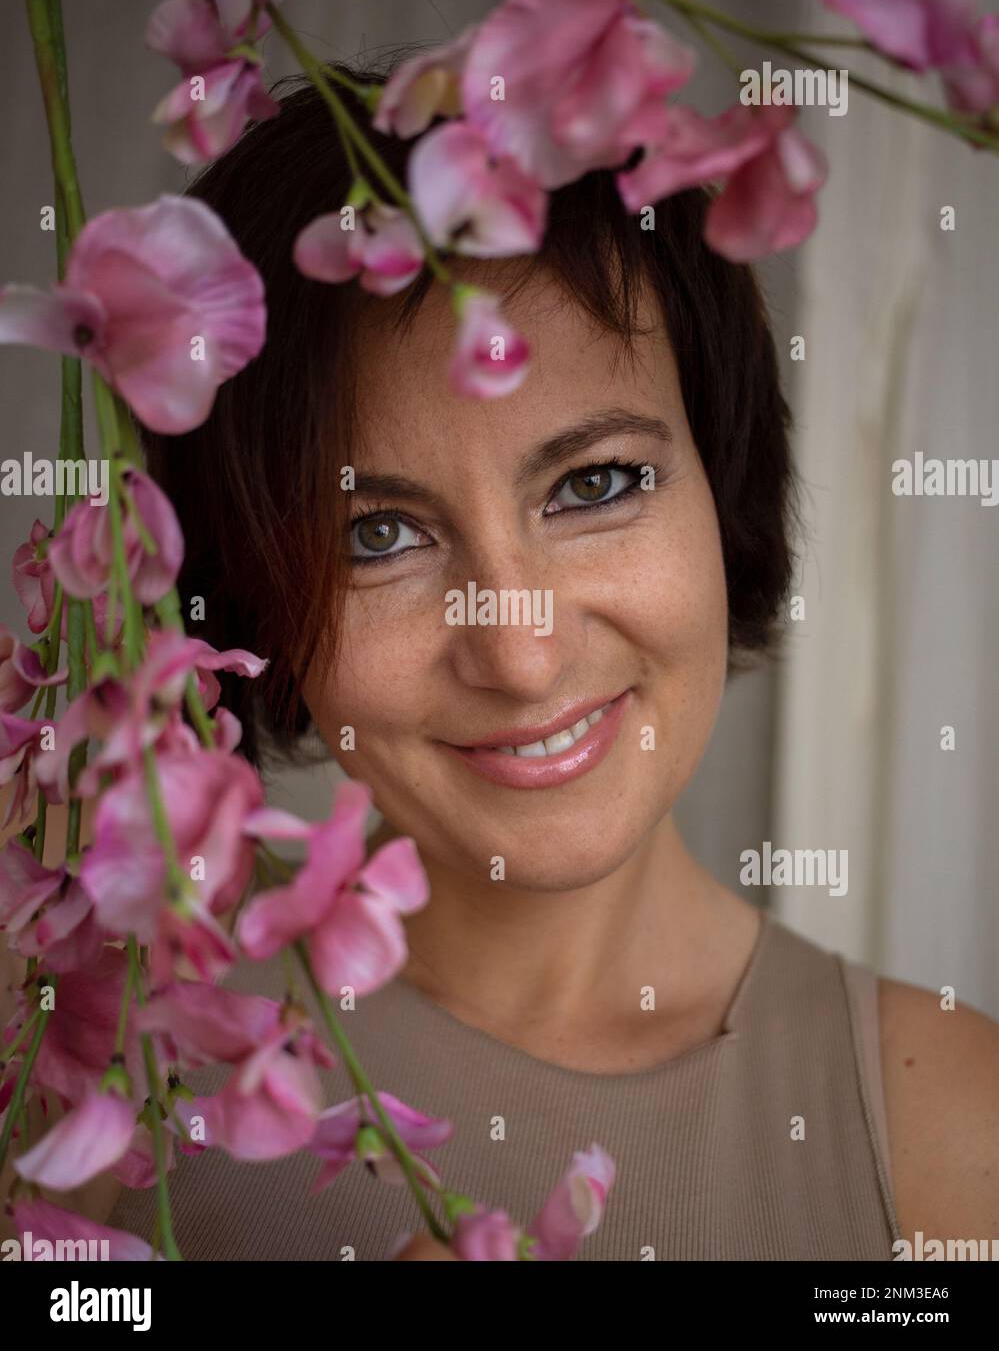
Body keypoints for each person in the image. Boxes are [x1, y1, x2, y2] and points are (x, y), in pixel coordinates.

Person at [105, 67, 999, 1261]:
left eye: (596, 484)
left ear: (723, 488)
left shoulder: (957, 1131)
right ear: (256, 594)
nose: (521, 656)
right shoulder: (106, 1072)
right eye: (380, 536)